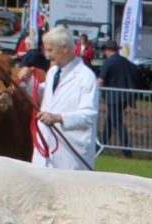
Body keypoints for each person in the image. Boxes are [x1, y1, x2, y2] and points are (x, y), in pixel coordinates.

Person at [32, 26, 99, 170]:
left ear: (64, 48)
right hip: (46, 146)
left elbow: (89, 115)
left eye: (50, 50)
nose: (46, 55)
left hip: (70, 153)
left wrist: (59, 118)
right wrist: (28, 82)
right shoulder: (52, 72)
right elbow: (45, 94)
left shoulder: (86, 77)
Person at [98, 40, 137, 150]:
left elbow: (100, 80)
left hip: (113, 97)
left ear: (108, 50)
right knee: (110, 122)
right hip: (123, 96)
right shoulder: (124, 61)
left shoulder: (108, 62)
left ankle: (125, 147)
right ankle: (101, 144)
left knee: (116, 122)